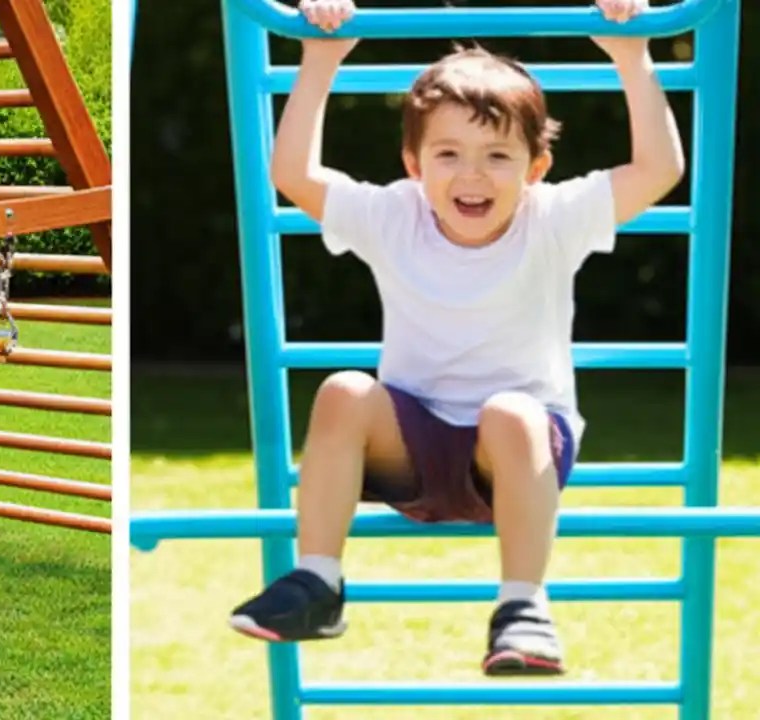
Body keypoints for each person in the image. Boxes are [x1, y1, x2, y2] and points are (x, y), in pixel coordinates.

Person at [228, 0, 683, 676]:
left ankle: (524, 609)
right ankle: (318, 582)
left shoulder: (552, 219)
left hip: (517, 458)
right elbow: (294, 175)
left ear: (535, 167)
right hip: (415, 451)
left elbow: (658, 171)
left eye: (497, 155)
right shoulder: (394, 216)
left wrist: (631, 55)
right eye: (448, 154)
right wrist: (320, 59)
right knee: (345, 391)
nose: (471, 175)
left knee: (510, 412)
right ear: (414, 162)